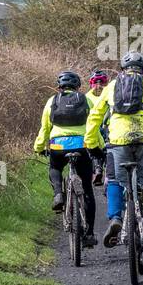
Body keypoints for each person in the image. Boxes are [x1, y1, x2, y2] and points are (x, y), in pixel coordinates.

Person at [84, 51, 143, 247]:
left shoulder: (112, 86)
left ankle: (116, 218)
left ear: (122, 70)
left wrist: (91, 143)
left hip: (118, 140)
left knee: (116, 180)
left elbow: (94, 116)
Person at [34, 71, 97, 246]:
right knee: (88, 190)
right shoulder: (86, 100)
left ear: (59, 86)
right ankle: (89, 233)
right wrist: (98, 147)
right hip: (82, 146)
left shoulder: (52, 101)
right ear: (78, 86)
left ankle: (58, 195)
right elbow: (95, 125)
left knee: (55, 168)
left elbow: (45, 128)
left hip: (58, 146)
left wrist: (38, 147)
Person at [86, 69, 111, 186]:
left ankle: (101, 171)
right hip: (94, 127)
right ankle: (98, 170)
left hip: (107, 126)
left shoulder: (109, 96)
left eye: (102, 83)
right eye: (96, 82)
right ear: (91, 84)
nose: (99, 86)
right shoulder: (86, 98)